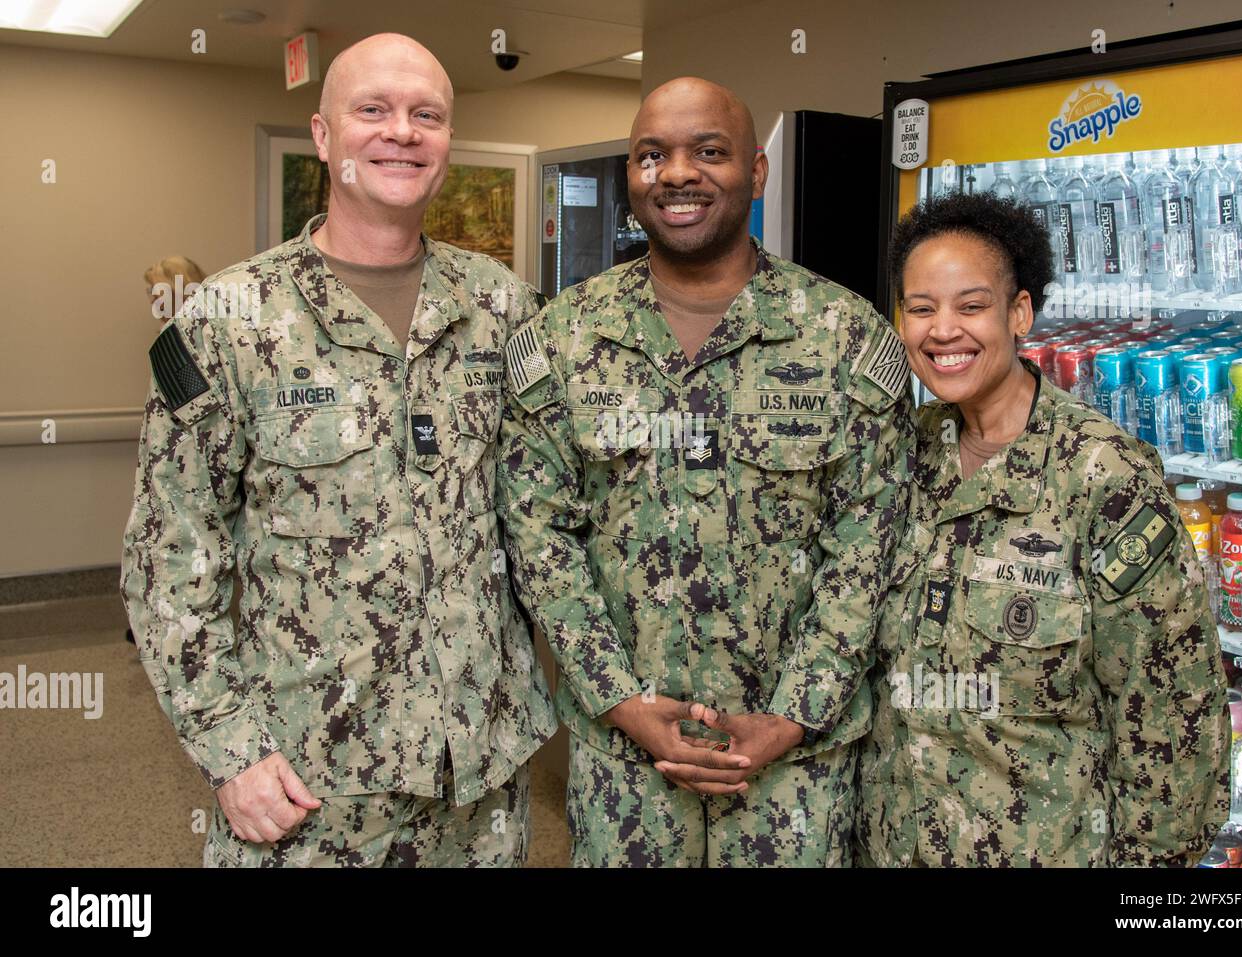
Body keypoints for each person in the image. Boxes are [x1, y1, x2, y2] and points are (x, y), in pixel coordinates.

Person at [121, 33, 555, 868]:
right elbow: (169, 559)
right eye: (373, 110)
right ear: (324, 137)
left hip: (482, 779)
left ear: (447, 142)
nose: (402, 131)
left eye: (426, 114)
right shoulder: (227, 320)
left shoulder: (504, 309)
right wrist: (228, 747)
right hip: (311, 783)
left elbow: (547, 514)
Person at [498, 77, 915, 867]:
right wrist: (622, 702)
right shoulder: (562, 339)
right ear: (631, 177)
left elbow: (870, 553)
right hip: (628, 770)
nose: (678, 173)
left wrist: (794, 714)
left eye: (709, 152)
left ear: (756, 173)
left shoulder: (843, 336)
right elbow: (538, 539)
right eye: (652, 155)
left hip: (795, 775)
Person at [856, 192, 1230, 867]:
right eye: (920, 308)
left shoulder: (1102, 477)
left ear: (1019, 313)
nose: (944, 330)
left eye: (971, 306)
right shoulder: (898, 458)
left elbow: (1175, 725)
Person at [126, 257, 209, 648]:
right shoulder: (176, 336)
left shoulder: (189, 339)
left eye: (154, 290)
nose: (149, 299)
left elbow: (194, 423)